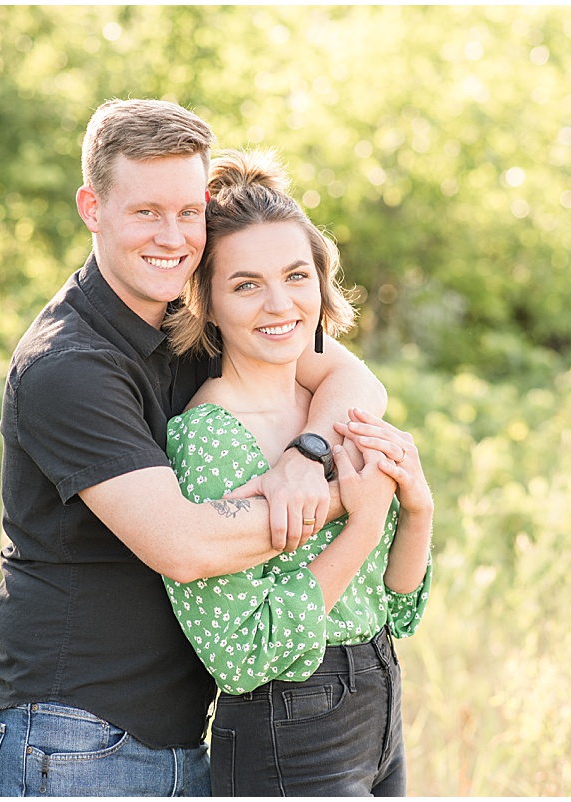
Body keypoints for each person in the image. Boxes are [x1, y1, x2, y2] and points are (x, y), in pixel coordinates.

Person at [0, 99, 390, 797]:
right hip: (71, 737)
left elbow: (353, 378)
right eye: (146, 212)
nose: (172, 236)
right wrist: (349, 496)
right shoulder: (68, 366)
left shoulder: (191, 320)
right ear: (92, 208)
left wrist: (306, 455)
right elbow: (184, 545)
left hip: (182, 732)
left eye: (189, 212)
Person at [161, 149, 434, 796]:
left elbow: (398, 605)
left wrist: (418, 510)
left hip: (379, 691)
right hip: (291, 723)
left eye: (296, 276)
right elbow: (239, 652)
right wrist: (361, 526)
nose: (279, 303)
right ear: (207, 303)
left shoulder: (331, 410)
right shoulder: (210, 438)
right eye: (246, 285)